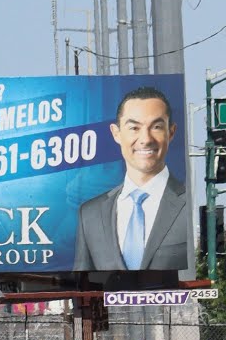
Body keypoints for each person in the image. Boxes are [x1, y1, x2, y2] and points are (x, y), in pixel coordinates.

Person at [73, 86, 190, 271]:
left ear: (171, 132)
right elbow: (81, 287)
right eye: (134, 128)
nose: (145, 139)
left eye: (157, 127)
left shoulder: (188, 205)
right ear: (116, 133)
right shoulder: (90, 214)